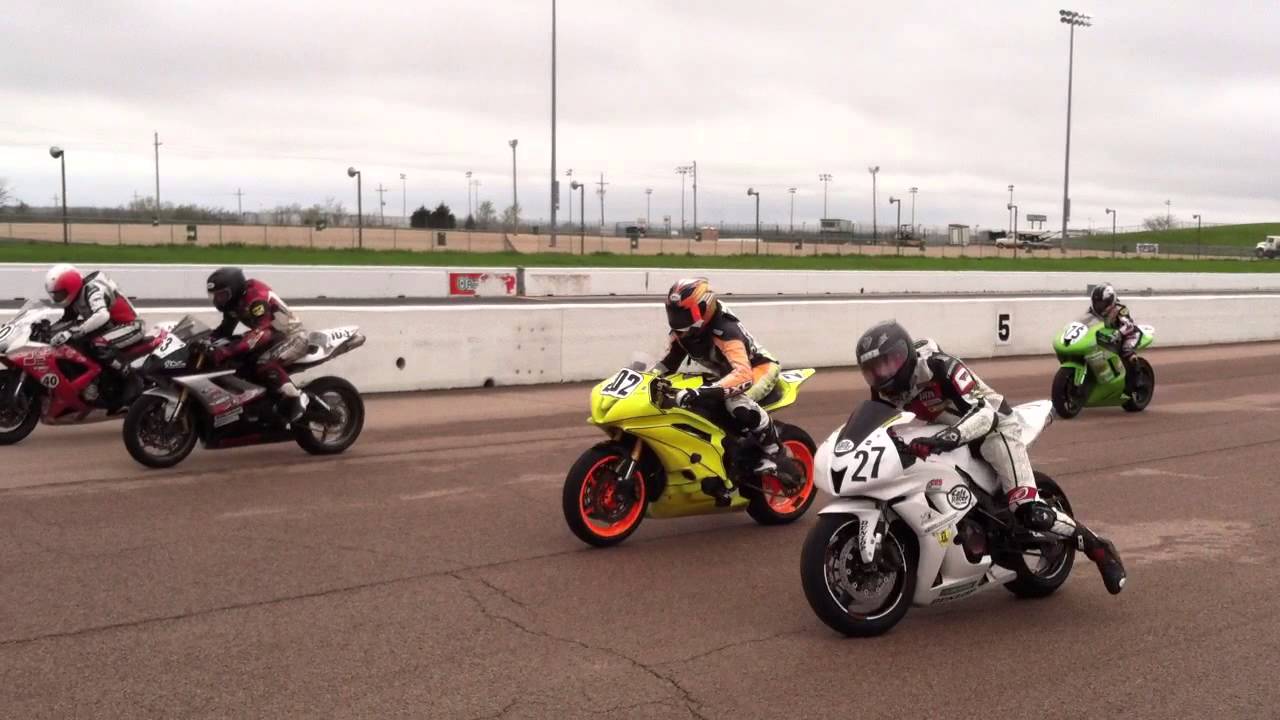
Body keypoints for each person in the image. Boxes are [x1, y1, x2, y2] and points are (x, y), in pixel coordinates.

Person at [855, 319, 1126, 595]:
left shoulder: (939, 366)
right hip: (945, 431)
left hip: (994, 429)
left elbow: (985, 413)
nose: (881, 373)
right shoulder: (885, 388)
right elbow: (880, 422)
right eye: (873, 370)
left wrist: (945, 439)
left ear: (904, 355)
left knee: (1027, 510)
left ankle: (1097, 547)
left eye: (887, 363)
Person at [653, 278, 789, 504]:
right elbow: (666, 364)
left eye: (684, 314)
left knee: (734, 403)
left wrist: (704, 392)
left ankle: (775, 451)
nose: (678, 321)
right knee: (685, 395)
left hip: (757, 369)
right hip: (726, 372)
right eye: (674, 313)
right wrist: (644, 378)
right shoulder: (683, 331)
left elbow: (743, 376)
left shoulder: (725, 329)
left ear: (704, 309)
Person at [205, 267, 311, 421]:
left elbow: (263, 331)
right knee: (239, 361)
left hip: (292, 336)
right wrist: (201, 341)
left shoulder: (255, 297)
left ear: (234, 289)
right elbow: (224, 330)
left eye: (221, 295)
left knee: (264, 362)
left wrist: (229, 350)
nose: (218, 300)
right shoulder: (233, 303)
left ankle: (297, 397)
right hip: (273, 338)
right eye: (215, 296)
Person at [44, 264, 144, 378]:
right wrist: (46, 331)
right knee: (78, 344)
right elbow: (66, 321)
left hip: (131, 326)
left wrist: (73, 332)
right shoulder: (74, 298)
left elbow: (102, 315)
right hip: (112, 327)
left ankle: (130, 377)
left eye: (60, 294)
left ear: (71, 286)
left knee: (99, 344)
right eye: (55, 295)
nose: (56, 298)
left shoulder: (92, 290)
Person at [1089, 283, 1143, 396]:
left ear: (1110, 301)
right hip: (1108, 336)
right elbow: (1084, 321)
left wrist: (1118, 333)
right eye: (1097, 303)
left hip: (1128, 335)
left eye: (1102, 303)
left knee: (1127, 352)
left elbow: (1129, 325)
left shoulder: (1120, 310)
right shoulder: (1092, 311)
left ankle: (1138, 380)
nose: (1099, 306)